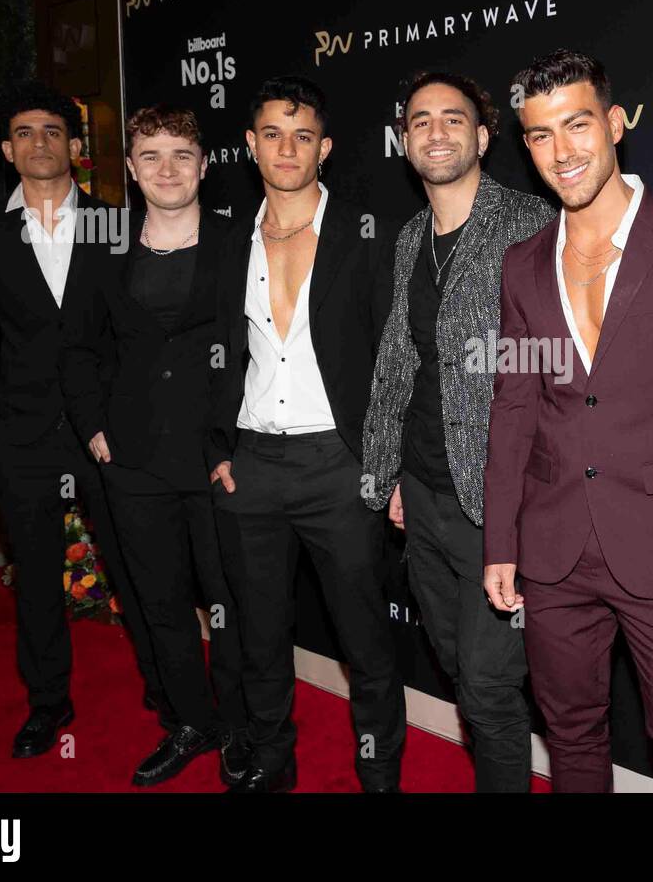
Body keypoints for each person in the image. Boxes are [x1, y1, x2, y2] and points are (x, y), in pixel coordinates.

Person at [483, 50, 653, 791]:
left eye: (576, 125)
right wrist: (500, 539)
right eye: (539, 135)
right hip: (552, 548)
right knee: (571, 738)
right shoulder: (523, 263)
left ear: (614, 123)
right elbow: (513, 407)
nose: (561, 152)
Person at [0, 81, 162, 757]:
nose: (38, 143)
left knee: (135, 564)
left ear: (74, 147)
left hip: (104, 431)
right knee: (37, 576)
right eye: (24, 133)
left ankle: (167, 690)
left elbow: (138, 335)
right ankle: (48, 703)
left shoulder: (115, 222)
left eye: (51, 131)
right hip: (21, 435)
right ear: (8, 152)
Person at [207, 75, 402, 793]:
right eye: (271, 134)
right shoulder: (227, 243)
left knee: (366, 642)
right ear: (251, 145)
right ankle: (272, 762)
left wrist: (384, 461)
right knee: (258, 637)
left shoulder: (366, 231)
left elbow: (395, 355)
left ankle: (379, 777)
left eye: (302, 135)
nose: (286, 148)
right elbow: (208, 354)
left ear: (325, 147)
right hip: (251, 467)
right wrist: (215, 453)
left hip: (339, 466)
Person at [363, 71, 555, 791]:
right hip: (425, 495)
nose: (435, 132)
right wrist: (392, 476)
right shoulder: (412, 234)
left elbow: (557, 377)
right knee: (455, 662)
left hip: (500, 504)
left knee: (486, 686)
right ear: (404, 140)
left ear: (481, 136)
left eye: (453, 119)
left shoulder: (529, 224)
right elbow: (402, 362)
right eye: (419, 121)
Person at [60, 105, 249, 787]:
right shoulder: (103, 248)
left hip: (216, 457)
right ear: (133, 171)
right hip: (132, 459)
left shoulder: (238, 241)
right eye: (151, 157)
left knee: (230, 605)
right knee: (160, 602)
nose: (166, 169)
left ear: (203, 165)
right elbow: (77, 350)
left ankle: (238, 726)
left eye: (180, 155)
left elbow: (258, 347)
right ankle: (190, 722)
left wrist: (233, 440)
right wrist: (94, 430)